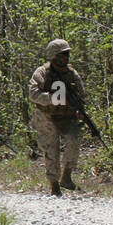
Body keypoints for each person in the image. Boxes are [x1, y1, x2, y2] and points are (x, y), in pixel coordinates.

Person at [29, 38, 85, 196]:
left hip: (68, 116)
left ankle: (66, 177)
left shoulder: (72, 74)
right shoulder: (42, 72)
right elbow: (33, 94)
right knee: (51, 151)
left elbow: (81, 94)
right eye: (62, 55)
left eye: (67, 55)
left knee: (73, 142)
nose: (66, 58)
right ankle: (54, 185)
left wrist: (80, 110)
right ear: (53, 56)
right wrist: (52, 98)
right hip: (47, 116)